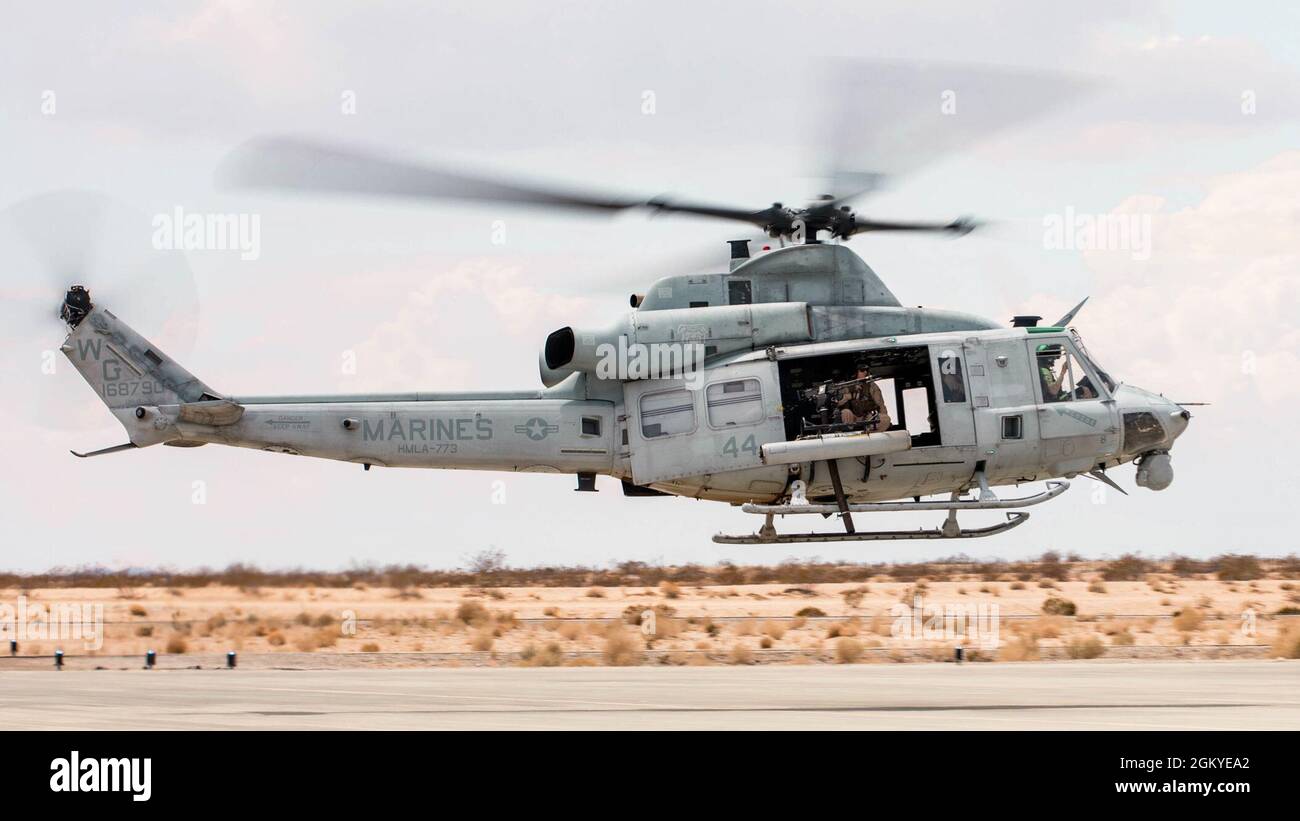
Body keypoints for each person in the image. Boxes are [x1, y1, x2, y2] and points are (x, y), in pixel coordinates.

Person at [837, 364, 891, 431]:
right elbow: (837, 402)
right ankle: (849, 433)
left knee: (885, 419)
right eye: (862, 370)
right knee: (846, 412)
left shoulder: (872, 386)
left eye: (866, 370)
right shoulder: (845, 386)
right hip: (852, 417)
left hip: (867, 417)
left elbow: (880, 405)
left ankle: (872, 434)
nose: (865, 372)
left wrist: (884, 419)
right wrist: (850, 395)